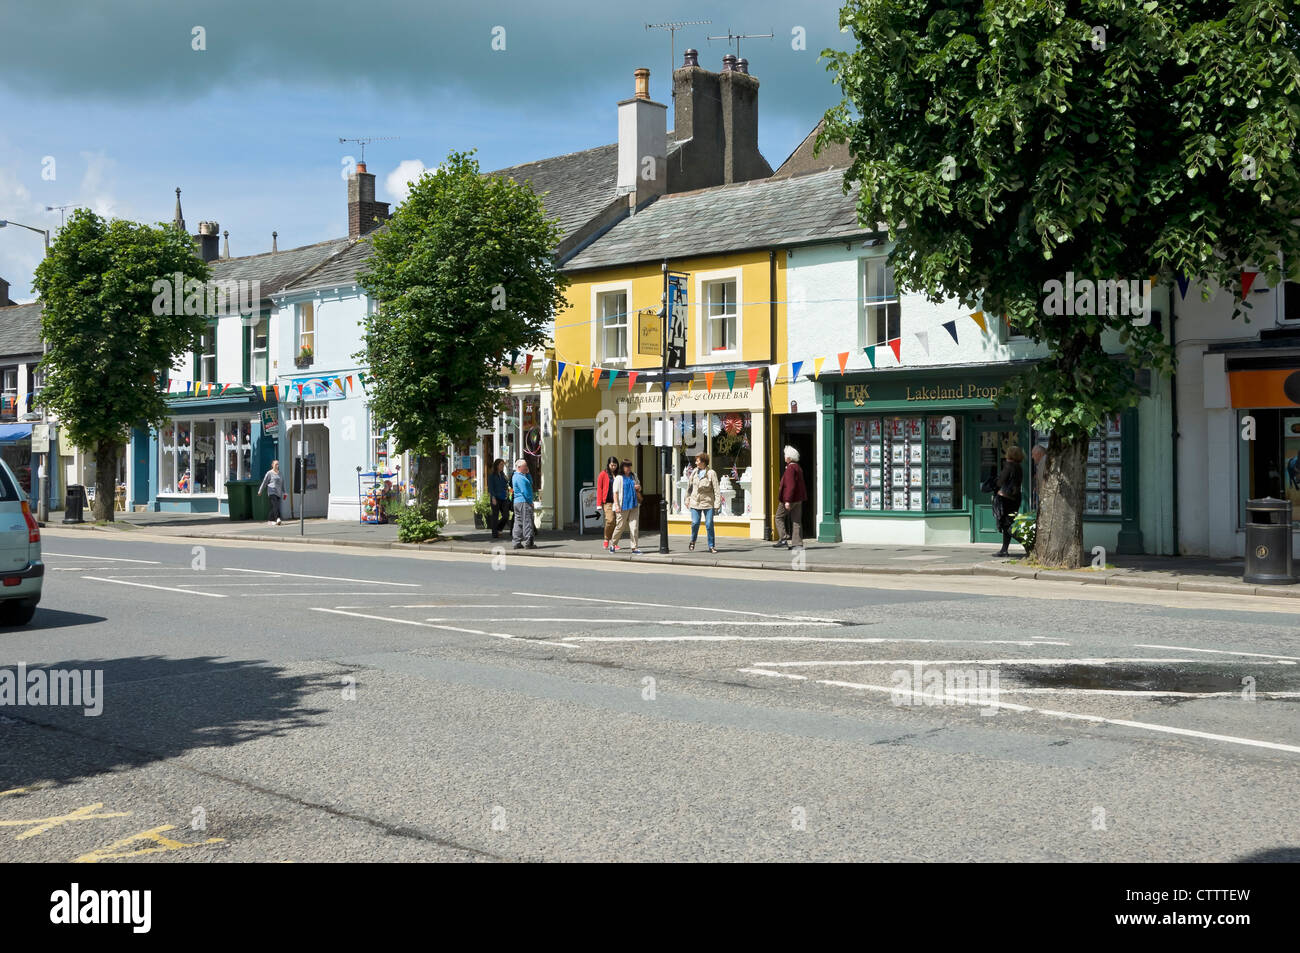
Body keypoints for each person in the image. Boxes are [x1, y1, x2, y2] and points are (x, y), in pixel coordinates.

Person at [993, 445, 1025, 557]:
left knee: (1007, 524)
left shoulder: (1009, 466)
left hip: (1005, 498)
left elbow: (1000, 481)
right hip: (1015, 498)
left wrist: (995, 485)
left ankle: (1026, 543)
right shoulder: (1019, 467)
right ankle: (1004, 549)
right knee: (1009, 522)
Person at [774, 446, 807, 551]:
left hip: (790, 499)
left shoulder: (790, 469)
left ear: (789, 457)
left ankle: (783, 539)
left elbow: (790, 485)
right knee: (796, 521)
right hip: (798, 499)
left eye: (785, 455)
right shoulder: (798, 467)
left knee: (778, 517)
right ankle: (797, 544)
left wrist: (787, 500)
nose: (784, 457)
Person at [686, 452, 720, 553]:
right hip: (695, 502)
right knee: (695, 523)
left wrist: (717, 504)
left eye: (697, 461)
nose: (696, 463)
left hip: (708, 503)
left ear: (703, 462)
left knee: (709, 524)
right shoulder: (694, 472)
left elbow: (716, 489)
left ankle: (711, 546)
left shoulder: (711, 473)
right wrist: (687, 499)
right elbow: (689, 487)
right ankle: (693, 540)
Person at [610, 458, 642, 554]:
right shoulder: (619, 478)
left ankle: (634, 548)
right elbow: (615, 493)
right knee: (620, 526)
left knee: (634, 527)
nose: (628, 468)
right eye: (626, 466)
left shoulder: (633, 476)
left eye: (630, 466)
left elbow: (639, 486)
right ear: (622, 467)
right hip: (622, 505)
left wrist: (638, 487)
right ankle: (613, 543)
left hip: (634, 504)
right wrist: (617, 505)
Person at [595, 455, 619, 551]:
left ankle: (614, 542)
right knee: (610, 520)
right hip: (608, 502)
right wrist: (599, 504)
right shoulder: (603, 474)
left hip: (618, 502)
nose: (613, 467)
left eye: (615, 465)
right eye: (612, 465)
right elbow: (599, 489)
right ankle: (606, 539)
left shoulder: (619, 474)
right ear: (608, 465)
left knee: (618, 523)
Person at [510, 458, 536, 549]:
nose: (526, 467)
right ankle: (529, 542)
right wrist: (530, 502)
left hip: (517, 502)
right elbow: (525, 491)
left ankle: (516, 542)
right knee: (527, 521)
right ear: (519, 467)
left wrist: (528, 473)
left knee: (518, 522)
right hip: (524, 502)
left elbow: (530, 483)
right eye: (525, 466)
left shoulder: (518, 475)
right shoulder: (520, 477)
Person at [487, 458, 512, 539]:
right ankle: (495, 534)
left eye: (503, 465)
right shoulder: (492, 475)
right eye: (501, 464)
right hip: (496, 498)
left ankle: (498, 528)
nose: (502, 466)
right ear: (497, 465)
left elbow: (506, 484)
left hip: (504, 498)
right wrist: (493, 497)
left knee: (506, 516)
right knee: (495, 516)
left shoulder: (502, 474)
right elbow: (491, 488)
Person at [257, 459, 284, 526]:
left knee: (274, 507)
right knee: (275, 505)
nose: (277, 466)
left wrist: (284, 491)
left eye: (278, 464)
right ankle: (277, 518)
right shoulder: (269, 473)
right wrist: (260, 490)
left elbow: (282, 483)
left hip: (278, 492)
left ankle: (270, 520)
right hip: (271, 491)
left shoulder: (280, 473)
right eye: (276, 464)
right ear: (272, 465)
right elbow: (264, 482)